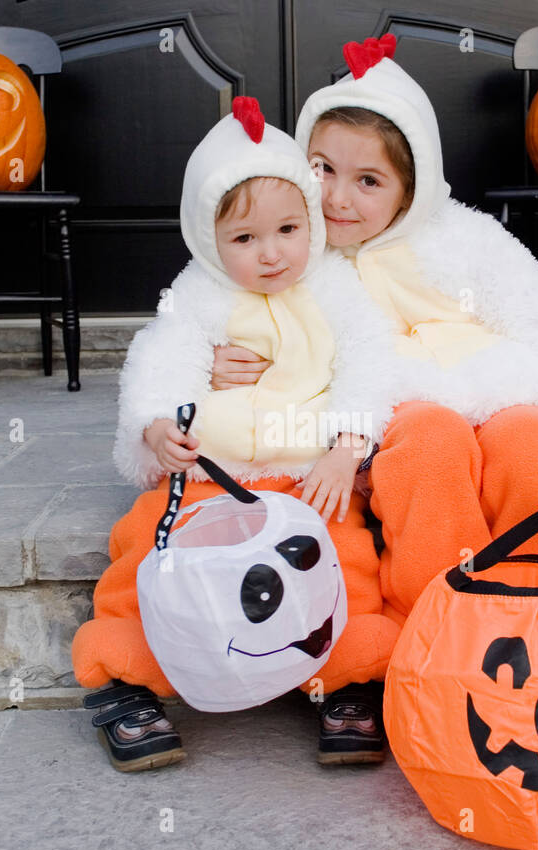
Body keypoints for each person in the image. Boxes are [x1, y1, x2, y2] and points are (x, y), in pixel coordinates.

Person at [213, 35, 538, 624]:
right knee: (430, 447)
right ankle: (437, 623)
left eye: (369, 181)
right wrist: (218, 365)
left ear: (411, 187)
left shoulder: (460, 237)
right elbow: (235, 320)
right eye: (323, 170)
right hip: (392, 413)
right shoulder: (289, 246)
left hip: (500, 392)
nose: (338, 198)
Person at [73, 97, 401, 771]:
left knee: (345, 555)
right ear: (208, 238)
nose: (272, 254)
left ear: (310, 220)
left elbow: (371, 359)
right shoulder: (198, 293)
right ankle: (126, 677)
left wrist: (347, 448)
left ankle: (348, 677)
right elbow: (159, 359)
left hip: (306, 472)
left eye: (287, 229)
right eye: (245, 240)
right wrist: (160, 426)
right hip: (210, 474)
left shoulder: (332, 288)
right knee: (148, 550)